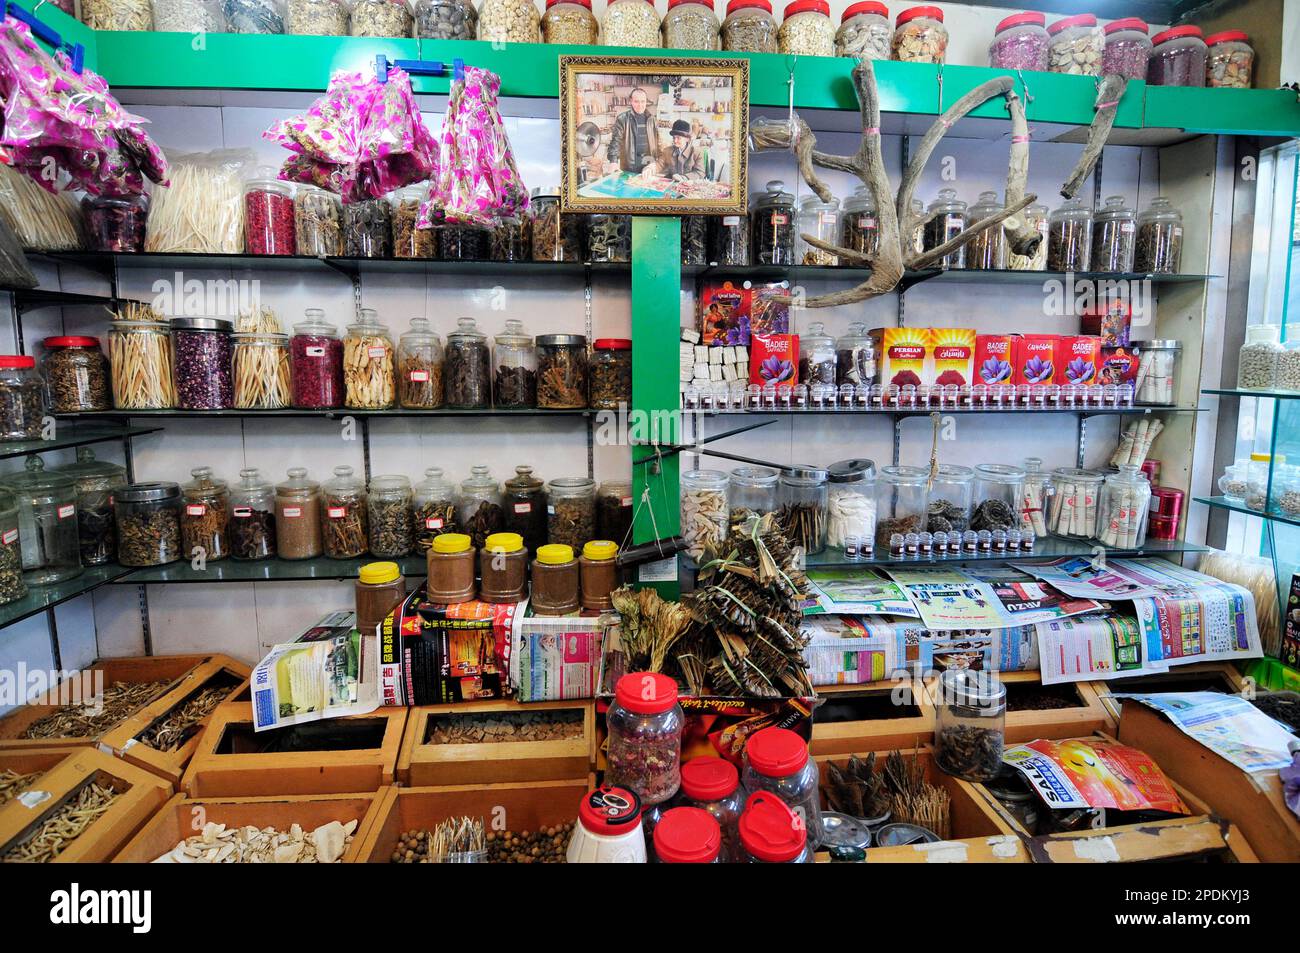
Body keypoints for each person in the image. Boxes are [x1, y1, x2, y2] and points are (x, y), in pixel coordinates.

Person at [604, 87, 659, 174]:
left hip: (648, 163)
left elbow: (657, 141)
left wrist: (658, 161)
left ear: (646, 101)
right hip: (630, 165)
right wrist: (613, 161)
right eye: (636, 101)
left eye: (643, 101)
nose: (640, 105)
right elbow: (616, 141)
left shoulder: (652, 119)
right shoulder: (622, 119)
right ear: (631, 101)